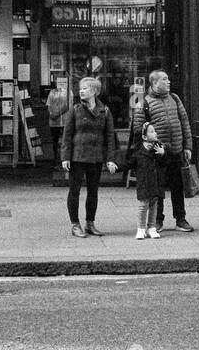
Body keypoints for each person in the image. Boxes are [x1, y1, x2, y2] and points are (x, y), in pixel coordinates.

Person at [132, 70, 194, 233]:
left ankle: (180, 219)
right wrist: (147, 150)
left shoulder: (175, 98)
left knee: (178, 186)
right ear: (154, 83)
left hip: (176, 150)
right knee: (157, 188)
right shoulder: (142, 102)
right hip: (156, 153)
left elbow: (184, 122)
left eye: (168, 79)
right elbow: (138, 130)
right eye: (164, 79)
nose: (168, 82)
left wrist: (188, 146)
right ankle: (157, 220)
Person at [60, 76, 117, 238]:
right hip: (77, 157)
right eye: (80, 89)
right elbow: (67, 135)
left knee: (93, 191)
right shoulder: (75, 110)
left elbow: (110, 137)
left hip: (96, 158)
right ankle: (75, 224)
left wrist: (110, 158)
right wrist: (65, 157)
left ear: (94, 91)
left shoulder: (104, 111)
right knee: (74, 191)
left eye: (85, 88)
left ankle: (90, 223)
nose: (81, 91)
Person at [129, 122, 165, 240]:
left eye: (155, 131)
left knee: (154, 204)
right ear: (144, 137)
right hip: (144, 182)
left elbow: (165, 164)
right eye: (151, 131)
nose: (155, 133)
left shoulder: (158, 147)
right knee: (143, 205)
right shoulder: (138, 151)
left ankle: (152, 227)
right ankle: (141, 228)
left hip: (156, 181)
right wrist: (115, 166)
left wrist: (162, 154)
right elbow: (129, 163)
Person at [46, 83, 70, 172]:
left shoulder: (68, 92)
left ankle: (64, 160)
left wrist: (57, 114)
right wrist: (51, 114)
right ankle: (56, 161)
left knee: (64, 142)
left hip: (63, 121)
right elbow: (48, 105)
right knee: (55, 141)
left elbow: (67, 106)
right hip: (53, 121)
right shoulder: (52, 92)